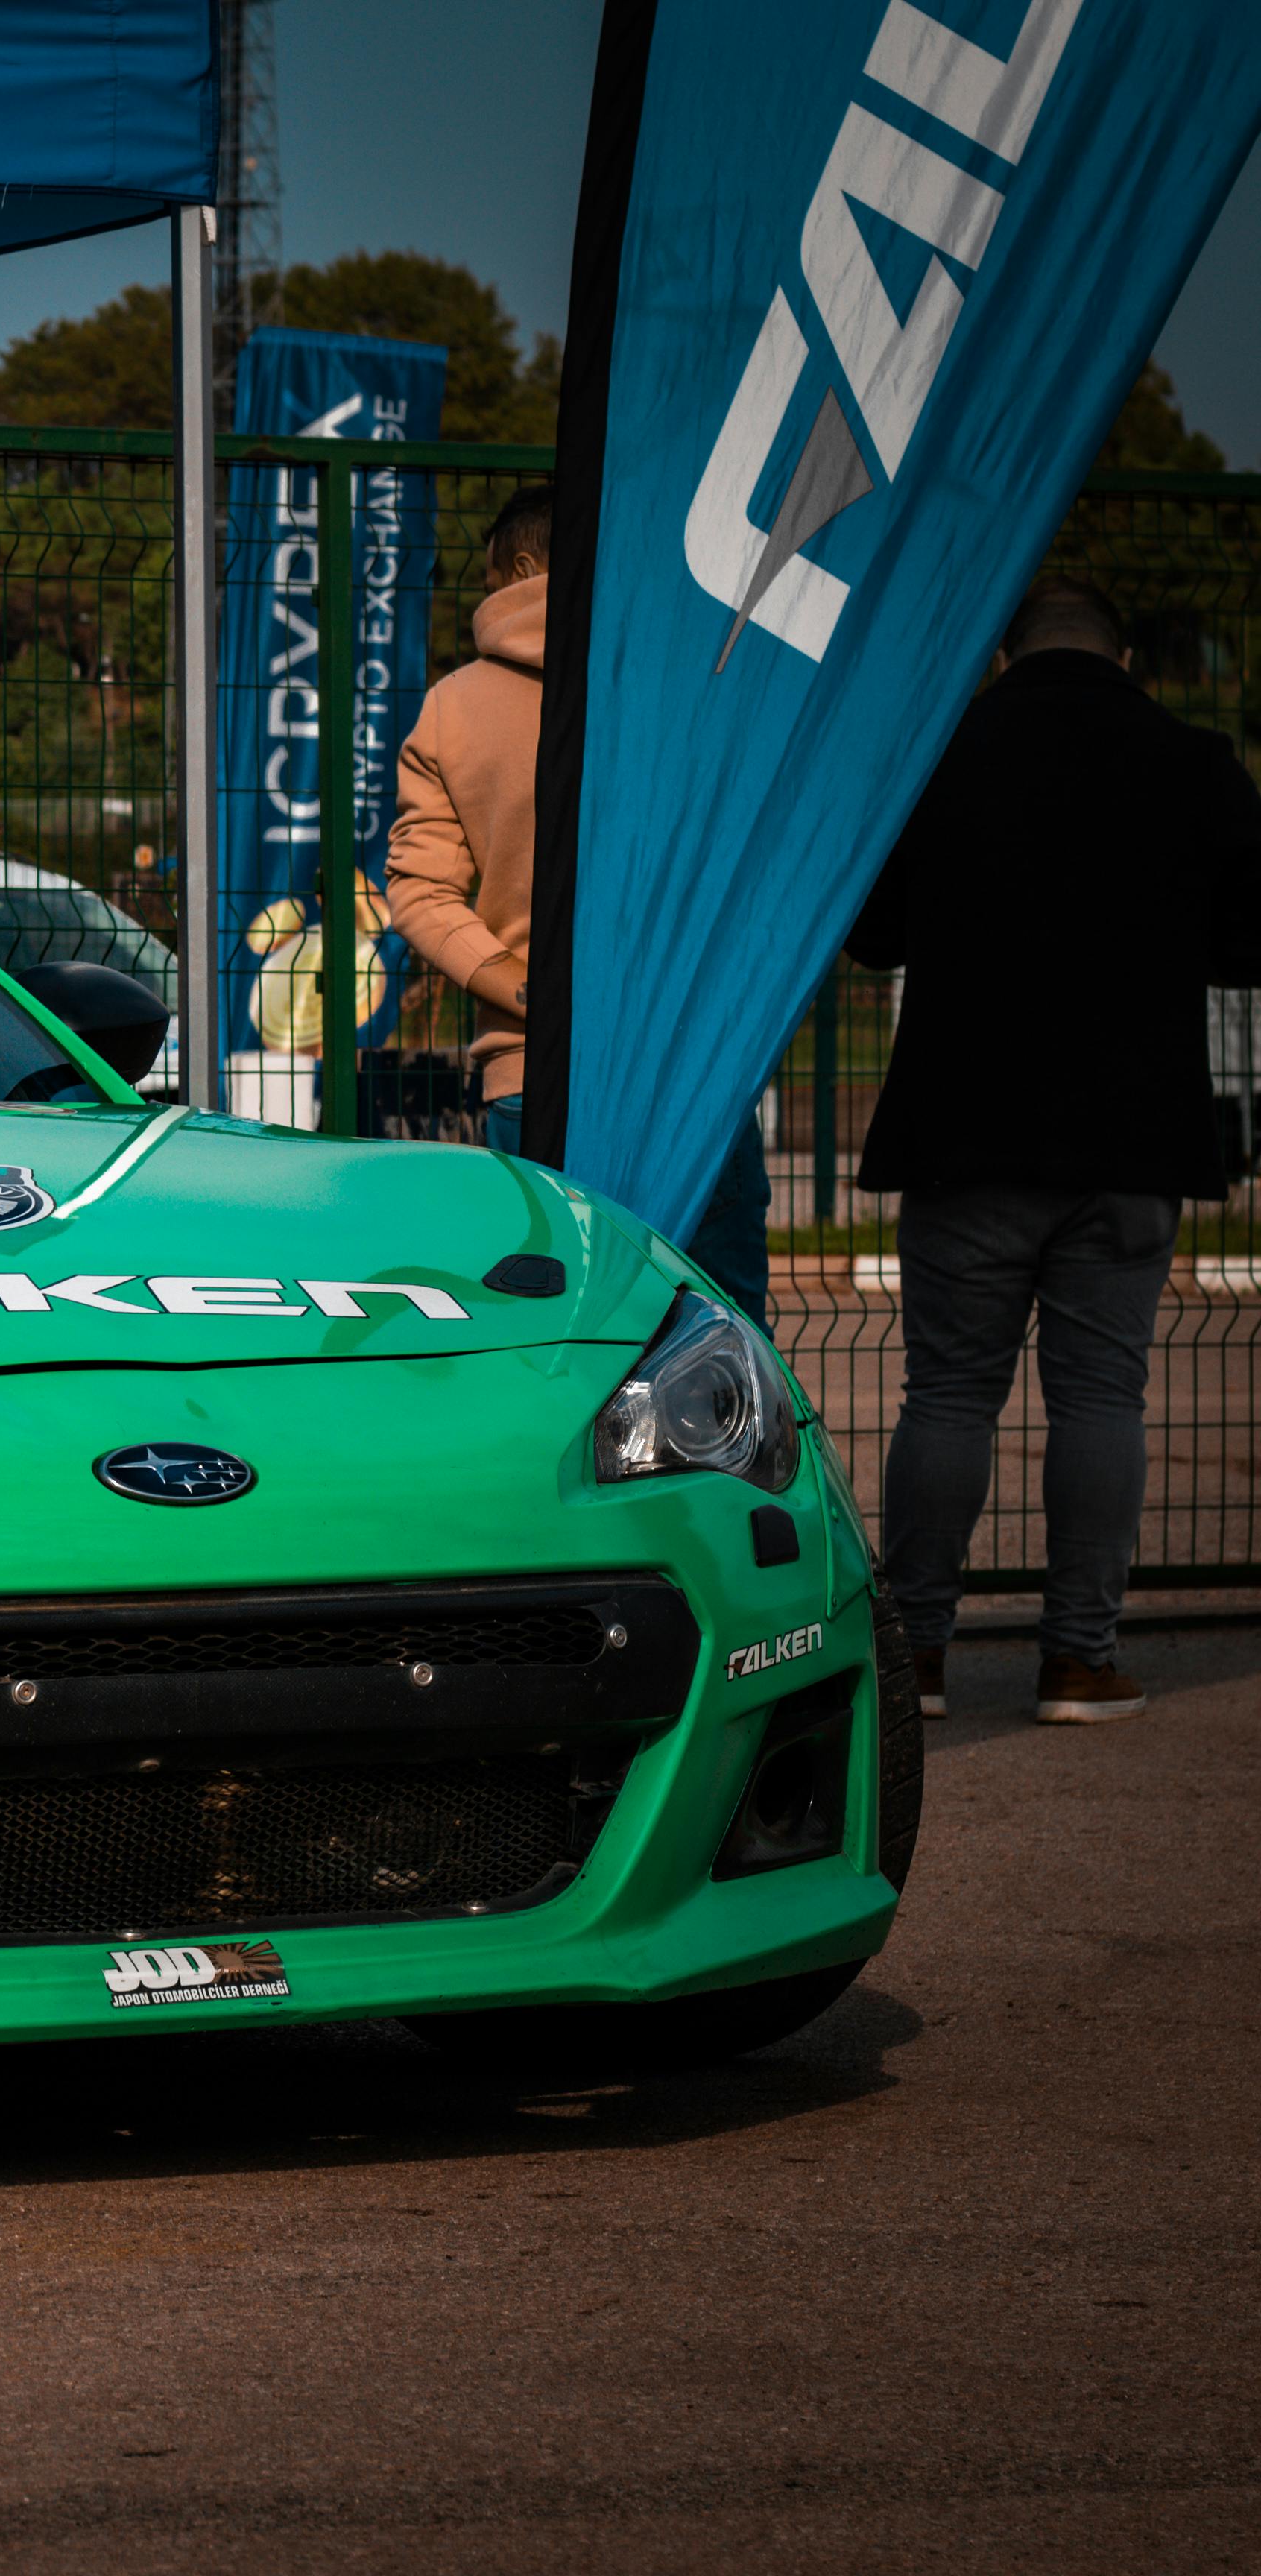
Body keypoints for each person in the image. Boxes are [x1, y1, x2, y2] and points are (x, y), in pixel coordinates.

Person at [846, 575, 1261, 1726]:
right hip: (1134, 1138)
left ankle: (917, 1654)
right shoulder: (1196, 760)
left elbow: (875, 940)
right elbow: (1246, 945)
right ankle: (1079, 1659)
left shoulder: (941, 750)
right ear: (1123, 658)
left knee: (948, 1397)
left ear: (1000, 657)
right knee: (1101, 1399)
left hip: (964, 1131)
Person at [386, 485, 774, 1319]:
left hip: (536, 1070)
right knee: (722, 1335)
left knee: (558, 1338)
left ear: (524, 569)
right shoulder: (698, 680)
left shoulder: (453, 708)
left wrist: (519, 986)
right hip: (692, 1062)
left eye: (493, 580)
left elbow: (418, 890)